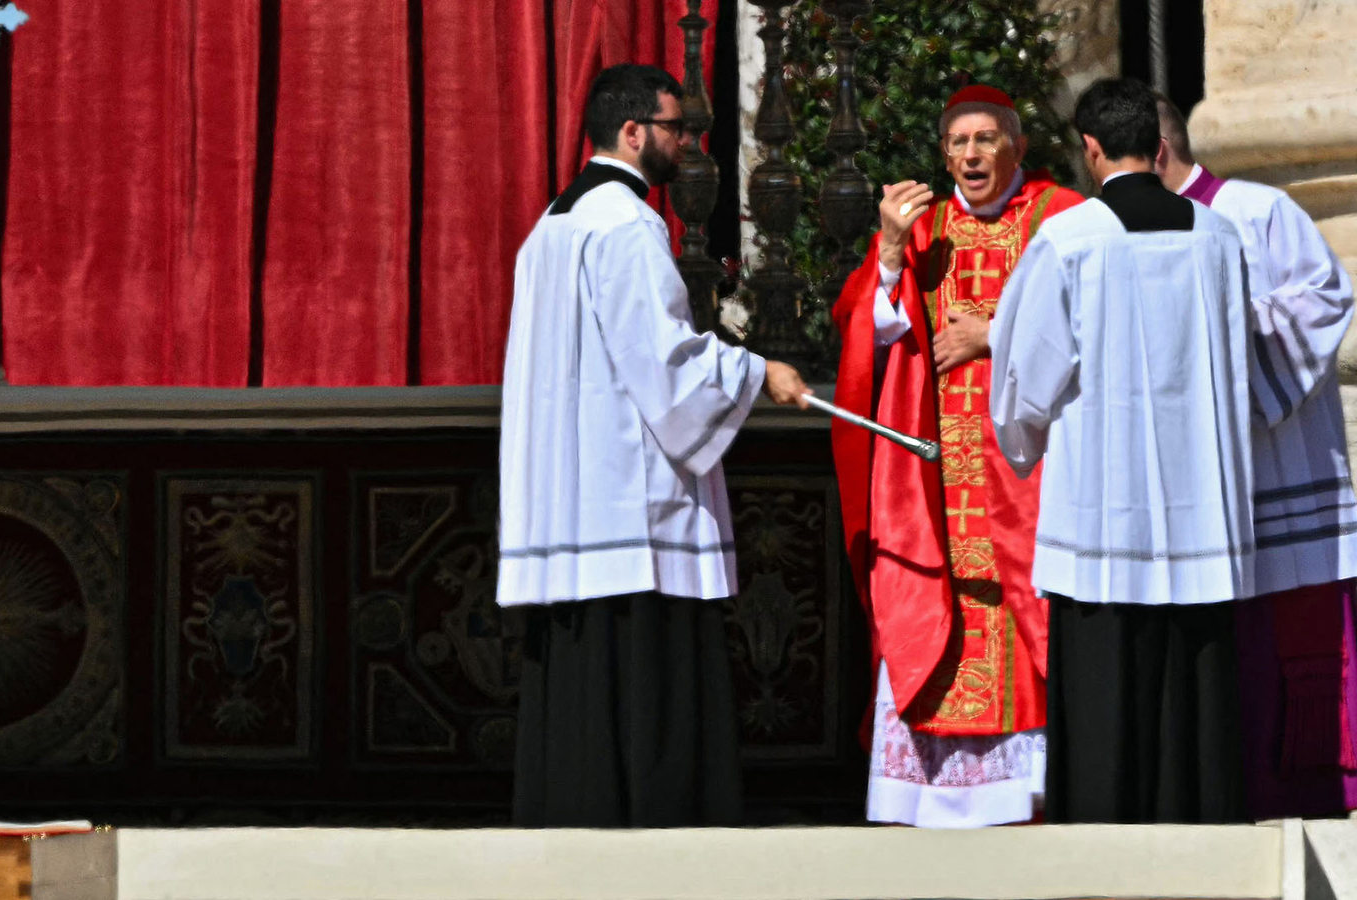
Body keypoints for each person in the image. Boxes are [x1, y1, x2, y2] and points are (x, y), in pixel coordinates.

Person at [497, 63, 812, 827]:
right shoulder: (629, 223)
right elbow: (663, 360)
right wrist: (755, 368)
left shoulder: (552, 224)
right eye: (677, 130)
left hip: (566, 494)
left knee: (582, 685)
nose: (686, 147)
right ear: (633, 132)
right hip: (628, 502)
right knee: (643, 679)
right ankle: (656, 827)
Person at [990, 78, 1256, 823]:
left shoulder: (1070, 242)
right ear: (1160, 146)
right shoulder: (1220, 237)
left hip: (1103, 512)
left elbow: (1027, 375)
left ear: (1092, 149)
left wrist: (1020, 440)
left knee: (1111, 694)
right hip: (1202, 508)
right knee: (1194, 692)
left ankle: (1106, 847)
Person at [831, 85, 1081, 827]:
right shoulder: (924, 228)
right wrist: (885, 252)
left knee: (1020, 608)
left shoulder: (1058, 217)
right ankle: (933, 799)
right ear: (944, 157)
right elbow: (866, 328)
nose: (971, 156)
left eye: (985, 140)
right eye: (958, 145)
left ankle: (1025, 794)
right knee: (933, 608)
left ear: (1017, 148)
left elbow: (1089, 312)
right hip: (938, 478)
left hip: (1028, 474)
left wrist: (993, 331)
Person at [1154, 92, 1357, 819]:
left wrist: (1223, 362)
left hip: (1280, 469)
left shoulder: (1257, 210)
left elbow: (1329, 297)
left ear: (1155, 149)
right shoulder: (1131, 230)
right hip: (1194, 495)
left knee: (1294, 653)